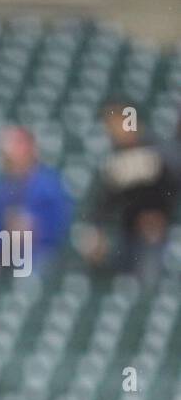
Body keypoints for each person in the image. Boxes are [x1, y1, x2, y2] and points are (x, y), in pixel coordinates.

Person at [79, 101, 180, 279]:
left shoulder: (155, 148)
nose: (114, 128)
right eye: (110, 124)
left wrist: (160, 216)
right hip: (125, 232)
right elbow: (104, 201)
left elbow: (170, 183)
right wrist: (97, 230)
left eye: (119, 121)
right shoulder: (115, 156)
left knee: (150, 269)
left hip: (159, 235)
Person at [0, 126, 73, 275]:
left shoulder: (48, 185)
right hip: (4, 258)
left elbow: (60, 228)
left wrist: (32, 228)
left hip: (41, 257)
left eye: (18, 145)